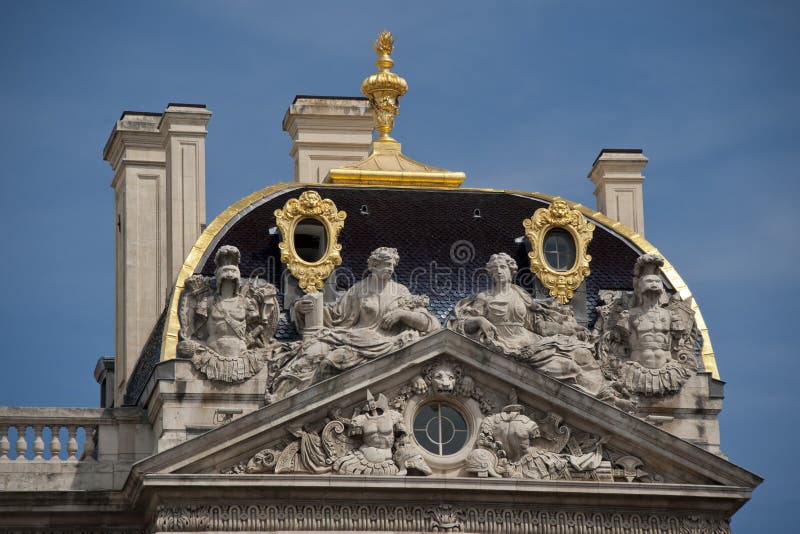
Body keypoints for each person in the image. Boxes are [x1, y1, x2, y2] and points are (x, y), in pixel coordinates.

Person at [269, 247, 439, 401]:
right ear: (373, 265)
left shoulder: (401, 292)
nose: (390, 269)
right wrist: (301, 307)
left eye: (392, 265)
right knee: (315, 353)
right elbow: (336, 315)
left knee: (330, 360)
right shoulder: (359, 290)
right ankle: (286, 396)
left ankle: (300, 399)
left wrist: (402, 314)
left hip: (386, 343)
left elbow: (430, 325)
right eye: (386, 264)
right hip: (356, 338)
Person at [177, 245, 280, 382]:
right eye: (225, 274)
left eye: (233, 273)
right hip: (212, 352)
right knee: (183, 348)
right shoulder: (208, 302)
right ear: (219, 278)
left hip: (242, 355)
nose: (229, 276)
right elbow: (190, 323)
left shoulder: (246, 303)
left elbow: (264, 320)